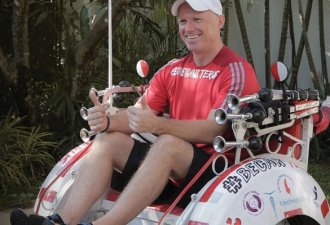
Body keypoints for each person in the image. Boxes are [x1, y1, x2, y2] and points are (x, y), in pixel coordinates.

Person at [10, 0, 260, 225]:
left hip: (214, 171)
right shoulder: (173, 69)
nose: (188, 27)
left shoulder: (236, 70)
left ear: (220, 21)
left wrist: (159, 126)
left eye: (197, 19)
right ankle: (58, 222)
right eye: (183, 21)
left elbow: (213, 129)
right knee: (108, 141)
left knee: (167, 143)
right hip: (165, 168)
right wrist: (107, 121)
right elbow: (138, 115)